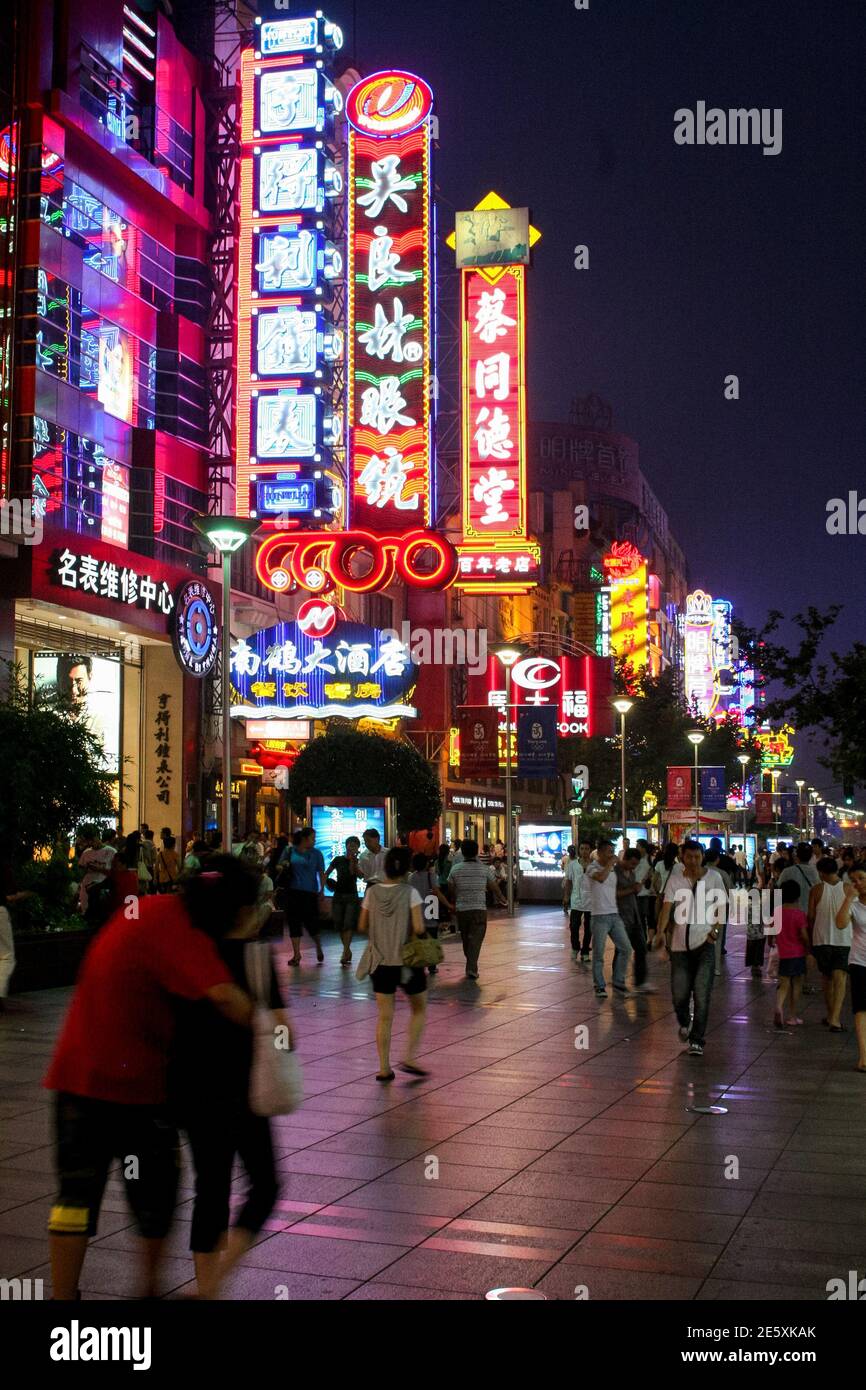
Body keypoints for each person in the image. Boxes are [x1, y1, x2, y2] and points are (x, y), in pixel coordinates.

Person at [43, 860, 256, 1300]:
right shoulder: (180, 928)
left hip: (75, 1075)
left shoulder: (149, 909)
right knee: (155, 1192)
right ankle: (149, 1288)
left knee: (75, 1196)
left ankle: (63, 1297)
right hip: (132, 1087)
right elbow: (232, 1003)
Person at [169, 862, 289, 1299]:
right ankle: (213, 1288)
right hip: (242, 1090)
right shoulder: (255, 958)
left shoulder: (191, 950)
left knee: (210, 1186)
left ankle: (206, 1286)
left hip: (190, 1085)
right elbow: (282, 1033)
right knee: (266, 1185)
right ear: (245, 910)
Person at [358, 846, 429, 1080]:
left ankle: (384, 1068)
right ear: (407, 868)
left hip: (379, 961)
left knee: (385, 1015)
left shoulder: (372, 892)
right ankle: (409, 1056)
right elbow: (419, 928)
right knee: (418, 1008)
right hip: (407, 962)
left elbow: (361, 925)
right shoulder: (410, 893)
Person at [655, 840, 724, 1056]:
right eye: (689, 857)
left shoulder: (714, 878)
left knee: (702, 994)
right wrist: (659, 932)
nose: (693, 861)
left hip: (704, 944)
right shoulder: (676, 880)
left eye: (697, 856)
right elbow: (667, 908)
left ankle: (697, 1039)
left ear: (702, 856)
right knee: (679, 994)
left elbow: (722, 906)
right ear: (682, 857)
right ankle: (684, 1021)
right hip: (679, 947)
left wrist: (715, 931)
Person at [447, 838, 505, 981]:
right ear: (476, 853)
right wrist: (503, 898)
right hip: (479, 909)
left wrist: (454, 899)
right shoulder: (484, 869)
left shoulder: (455, 869)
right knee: (476, 940)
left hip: (462, 909)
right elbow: (493, 886)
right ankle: (472, 967)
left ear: (463, 853)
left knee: (466, 939)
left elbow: (450, 887)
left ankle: (471, 966)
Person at [585, 840, 633, 999]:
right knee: (598, 953)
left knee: (625, 947)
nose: (611, 854)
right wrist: (610, 865)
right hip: (599, 916)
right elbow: (600, 878)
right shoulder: (592, 868)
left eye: (612, 851)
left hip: (614, 914)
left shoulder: (613, 869)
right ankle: (599, 985)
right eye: (608, 851)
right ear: (599, 853)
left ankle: (618, 981)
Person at [808, 856, 849, 1032]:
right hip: (843, 939)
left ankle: (831, 1014)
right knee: (840, 979)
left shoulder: (816, 890)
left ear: (822, 872)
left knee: (827, 978)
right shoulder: (848, 889)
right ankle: (835, 1019)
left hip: (821, 939)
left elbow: (810, 917)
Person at [280, 827, 325, 967]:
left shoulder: (317, 854)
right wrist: (283, 866)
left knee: (311, 922)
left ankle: (318, 945)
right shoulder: (289, 851)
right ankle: (296, 954)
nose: (314, 840)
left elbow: (321, 872)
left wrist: (321, 889)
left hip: (309, 892)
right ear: (305, 839)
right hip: (292, 891)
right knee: (294, 923)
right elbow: (279, 866)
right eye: (312, 838)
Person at [836, 869, 866, 1072]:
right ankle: (864, 1056)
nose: (859, 883)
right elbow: (840, 923)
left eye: (862, 878)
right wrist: (848, 898)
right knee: (861, 1009)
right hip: (859, 961)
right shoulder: (854, 905)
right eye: (854, 881)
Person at [616, 847, 656, 993]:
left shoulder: (631, 873)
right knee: (622, 950)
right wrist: (633, 889)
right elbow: (613, 894)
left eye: (636, 864)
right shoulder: (614, 873)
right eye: (632, 864)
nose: (634, 867)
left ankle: (640, 982)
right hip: (621, 917)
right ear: (625, 858)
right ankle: (618, 980)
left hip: (634, 916)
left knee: (641, 948)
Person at [774, 878, 810, 1028]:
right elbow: (803, 934)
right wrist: (809, 947)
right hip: (797, 954)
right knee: (796, 984)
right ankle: (793, 1016)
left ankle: (778, 1006)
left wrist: (772, 942)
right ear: (798, 895)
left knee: (783, 984)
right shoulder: (799, 914)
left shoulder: (777, 912)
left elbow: (772, 932)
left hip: (783, 954)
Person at [408, 851, 449, 975]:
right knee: (432, 939)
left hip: (416, 912)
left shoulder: (411, 877)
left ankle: (419, 962)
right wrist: (448, 904)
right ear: (426, 864)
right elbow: (436, 892)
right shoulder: (431, 876)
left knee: (418, 939)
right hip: (430, 911)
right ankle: (432, 965)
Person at [325, 835, 363, 967]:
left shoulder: (358, 861)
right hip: (338, 895)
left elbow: (356, 874)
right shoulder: (338, 859)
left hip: (352, 895)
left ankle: (345, 952)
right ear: (346, 845)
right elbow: (327, 872)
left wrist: (354, 861)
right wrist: (325, 884)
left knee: (348, 924)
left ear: (358, 847)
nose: (352, 847)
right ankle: (347, 950)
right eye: (350, 844)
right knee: (339, 924)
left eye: (355, 845)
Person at [76, 827, 117, 920]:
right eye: (88, 841)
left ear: (98, 837)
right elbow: (80, 869)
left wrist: (99, 869)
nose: (91, 843)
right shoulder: (86, 853)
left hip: (103, 886)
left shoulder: (111, 852)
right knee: (86, 910)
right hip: (87, 886)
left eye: (92, 840)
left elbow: (115, 871)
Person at [566, 841, 593, 963]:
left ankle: (585, 951)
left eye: (587, 848)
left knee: (589, 928)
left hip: (591, 901)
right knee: (574, 925)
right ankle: (575, 946)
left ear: (590, 850)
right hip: (576, 899)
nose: (584, 851)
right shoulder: (573, 865)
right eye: (582, 848)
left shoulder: (595, 865)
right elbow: (568, 881)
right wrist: (566, 896)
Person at [634, 839, 655, 941]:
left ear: (643, 848)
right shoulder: (636, 859)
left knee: (648, 918)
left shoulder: (651, 859)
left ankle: (649, 940)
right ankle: (643, 940)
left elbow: (653, 874)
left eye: (638, 846)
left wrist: (644, 881)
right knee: (640, 918)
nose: (637, 848)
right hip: (637, 893)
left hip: (647, 893)